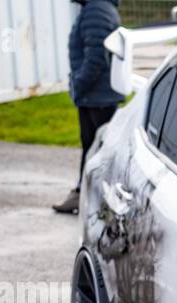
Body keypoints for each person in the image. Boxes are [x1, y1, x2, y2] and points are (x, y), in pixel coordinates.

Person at [53, 0, 124, 215]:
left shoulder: (97, 10)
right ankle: (83, 196)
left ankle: (95, 201)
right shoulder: (95, 8)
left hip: (97, 97)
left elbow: (95, 58)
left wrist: (78, 85)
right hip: (95, 96)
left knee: (99, 151)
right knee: (94, 149)